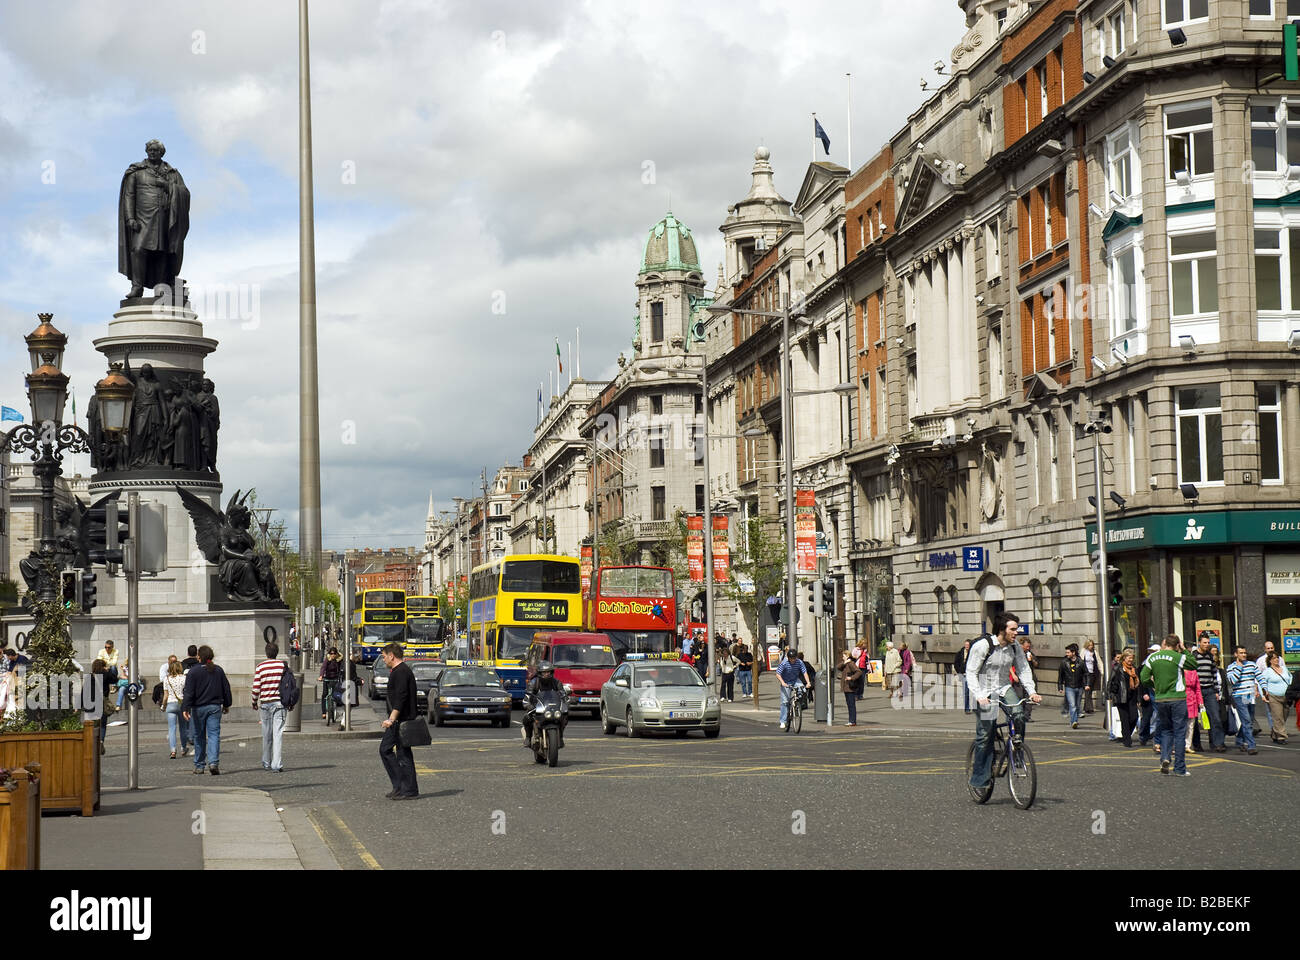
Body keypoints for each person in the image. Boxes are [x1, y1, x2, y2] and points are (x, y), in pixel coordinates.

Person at [966, 613, 1041, 793]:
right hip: (984, 689)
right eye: (1013, 629)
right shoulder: (983, 646)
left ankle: (1017, 751)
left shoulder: (1015, 647)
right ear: (1002, 629)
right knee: (985, 734)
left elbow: (1023, 669)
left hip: (1004, 687)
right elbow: (971, 672)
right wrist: (979, 695)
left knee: (1019, 715)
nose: (1016, 632)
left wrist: (1032, 692)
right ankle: (979, 779)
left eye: (1017, 629)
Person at [1139, 634, 1195, 776]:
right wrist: (1184, 650)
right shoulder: (1178, 657)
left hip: (1161, 699)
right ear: (1177, 645)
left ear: (1165, 644)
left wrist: (1154, 685)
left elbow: (1144, 677)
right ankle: (1179, 768)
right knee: (1179, 733)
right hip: (1177, 698)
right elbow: (1194, 664)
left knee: (1165, 730)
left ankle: (1165, 758)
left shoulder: (1152, 657)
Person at [182, 645, 232, 775]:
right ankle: (213, 763)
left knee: (199, 736)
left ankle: (199, 765)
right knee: (214, 735)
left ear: (199, 656)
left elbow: (189, 692)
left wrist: (185, 707)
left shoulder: (193, 671)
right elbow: (226, 688)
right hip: (215, 707)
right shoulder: (218, 670)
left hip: (198, 707)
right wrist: (227, 704)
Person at [379, 643, 419, 799]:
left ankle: (407, 789)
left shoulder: (401, 672)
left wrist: (391, 719)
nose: (383, 660)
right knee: (398, 753)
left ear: (391, 656)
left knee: (395, 752)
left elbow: (401, 697)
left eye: (384, 657)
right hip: (399, 720)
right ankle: (402, 787)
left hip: (401, 720)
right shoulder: (400, 671)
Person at [251, 641, 288, 773]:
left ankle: (266, 762)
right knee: (278, 734)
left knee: (266, 734)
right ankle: (276, 764)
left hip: (265, 703)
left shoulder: (260, 667)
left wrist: (254, 701)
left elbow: (256, 687)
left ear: (266, 653)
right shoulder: (282, 666)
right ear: (277, 653)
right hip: (279, 703)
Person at [1193, 634, 1227, 753]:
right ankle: (1197, 744)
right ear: (1199, 643)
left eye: (1208, 642)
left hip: (1209, 690)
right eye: (1204, 642)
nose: (1207, 645)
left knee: (1215, 717)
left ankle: (1218, 743)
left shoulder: (1210, 656)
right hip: (1196, 691)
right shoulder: (1194, 656)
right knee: (1195, 719)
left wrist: (1216, 690)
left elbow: (1214, 673)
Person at [522, 660, 568, 747]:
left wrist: (566, 702)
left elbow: (563, 694)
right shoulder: (533, 683)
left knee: (564, 718)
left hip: (552, 707)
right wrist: (528, 705)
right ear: (539, 673)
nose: (546, 674)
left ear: (551, 672)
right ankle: (528, 737)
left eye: (548, 672)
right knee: (526, 717)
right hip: (537, 706)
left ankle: (560, 736)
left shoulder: (556, 682)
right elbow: (527, 697)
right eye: (544, 672)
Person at [1226, 646, 1259, 755]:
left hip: (1249, 695)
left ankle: (1239, 740)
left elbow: (1259, 677)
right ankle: (1251, 746)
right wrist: (1239, 667)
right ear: (1236, 654)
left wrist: (1264, 689)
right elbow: (1232, 681)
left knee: (1248, 720)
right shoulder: (1231, 667)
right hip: (1239, 696)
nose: (1244, 655)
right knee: (1247, 720)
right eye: (1241, 653)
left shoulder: (1251, 665)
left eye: (1245, 653)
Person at [1107, 649, 1142, 747]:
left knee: (1134, 717)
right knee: (1124, 719)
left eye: (1132, 658)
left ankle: (1126, 734)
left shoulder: (1134, 669)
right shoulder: (1118, 668)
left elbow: (1138, 685)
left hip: (1132, 697)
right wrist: (1109, 694)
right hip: (1121, 697)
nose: (1131, 660)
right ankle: (1127, 740)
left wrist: (1139, 698)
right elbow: (1110, 681)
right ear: (1124, 658)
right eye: (1129, 658)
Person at [775, 648, 810, 731]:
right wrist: (783, 682)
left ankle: (798, 706)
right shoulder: (784, 663)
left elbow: (804, 672)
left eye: (794, 658)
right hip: (786, 681)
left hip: (795, 680)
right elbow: (778, 674)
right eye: (791, 658)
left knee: (803, 690)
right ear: (788, 658)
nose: (793, 660)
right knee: (785, 702)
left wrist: (808, 682)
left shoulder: (799, 662)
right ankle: (783, 721)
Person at [1259, 651, 1291, 744]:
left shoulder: (1284, 668)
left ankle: (1274, 733)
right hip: (1273, 696)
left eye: (1277, 657)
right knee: (1278, 716)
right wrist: (1263, 695)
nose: (1276, 659)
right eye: (1273, 658)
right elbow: (1262, 683)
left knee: (1284, 716)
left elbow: (1290, 678)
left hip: (1286, 696)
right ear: (1270, 660)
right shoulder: (1267, 671)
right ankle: (1281, 737)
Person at [1057, 644, 1089, 728]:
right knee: (1072, 705)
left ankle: (1074, 721)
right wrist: (1060, 687)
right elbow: (1060, 675)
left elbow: (1086, 673)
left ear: (1073, 653)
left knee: (1077, 705)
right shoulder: (1064, 662)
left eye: (1068, 652)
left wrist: (1086, 684)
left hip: (1079, 686)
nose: (1067, 654)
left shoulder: (1081, 662)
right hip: (1069, 687)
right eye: (1066, 652)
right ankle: (1074, 721)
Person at [162, 659, 188, 759]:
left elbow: (165, 695)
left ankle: (173, 750)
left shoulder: (167, 679)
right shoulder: (184, 678)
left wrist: (163, 705)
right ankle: (183, 748)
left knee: (171, 728)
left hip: (170, 703)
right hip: (181, 703)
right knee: (183, 728)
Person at [1182, 643, 1205, 755]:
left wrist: (1200, 701)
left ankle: (1188, 745)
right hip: (1181, 699)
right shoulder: (1179, 671)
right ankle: (1179, 744)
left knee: (1191, 725)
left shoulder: (1194, 672)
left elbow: (1197, 688)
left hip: (1192, 700)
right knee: (1181, 724)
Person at [837, 650, 861, 726]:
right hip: (846, 687)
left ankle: (852, 721)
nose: (842, 657)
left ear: (847, 656)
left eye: (843, 656)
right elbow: (838, 667)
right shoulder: (845, 664)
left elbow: (859, 672)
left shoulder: (851, 664)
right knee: (849, 704)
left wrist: (851, 678)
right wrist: (844, 662)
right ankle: (851, 720)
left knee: (851, 705)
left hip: (850, 687)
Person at [319, 647, 342, 724]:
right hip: (327, 678)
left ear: (336, 654)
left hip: (335, 678)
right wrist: (321, 676)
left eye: (334, 653)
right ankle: (324, 712)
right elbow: (323, 668)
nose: (333, 655)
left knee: (335, 694)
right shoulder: (327, 660)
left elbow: (341, 668)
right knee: (325, 694)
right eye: (331, 653)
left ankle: (334, 707)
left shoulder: (338, 660)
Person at [953, 639, 972, 714]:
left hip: (971, 674)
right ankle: (967, 708)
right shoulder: (960, 653)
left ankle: (977, 708)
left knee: (974, 692)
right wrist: (959, 672)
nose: (967, 646)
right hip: (964, 674)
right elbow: (956, 663)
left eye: (968, 645)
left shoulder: (972, 653)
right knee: (966, 692)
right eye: (966, 645)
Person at [1082, 639, 1100, 714]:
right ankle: (1089, 707)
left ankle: (1086, 707)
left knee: (1090, 690)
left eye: (1092, 645)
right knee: (1087, 690)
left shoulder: (1094, 652)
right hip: (1086, 673)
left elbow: (1098, 661)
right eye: (1089, 645)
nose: (1091, 646)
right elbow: (1081, 661)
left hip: (1093, 672)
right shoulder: (1084, 652)